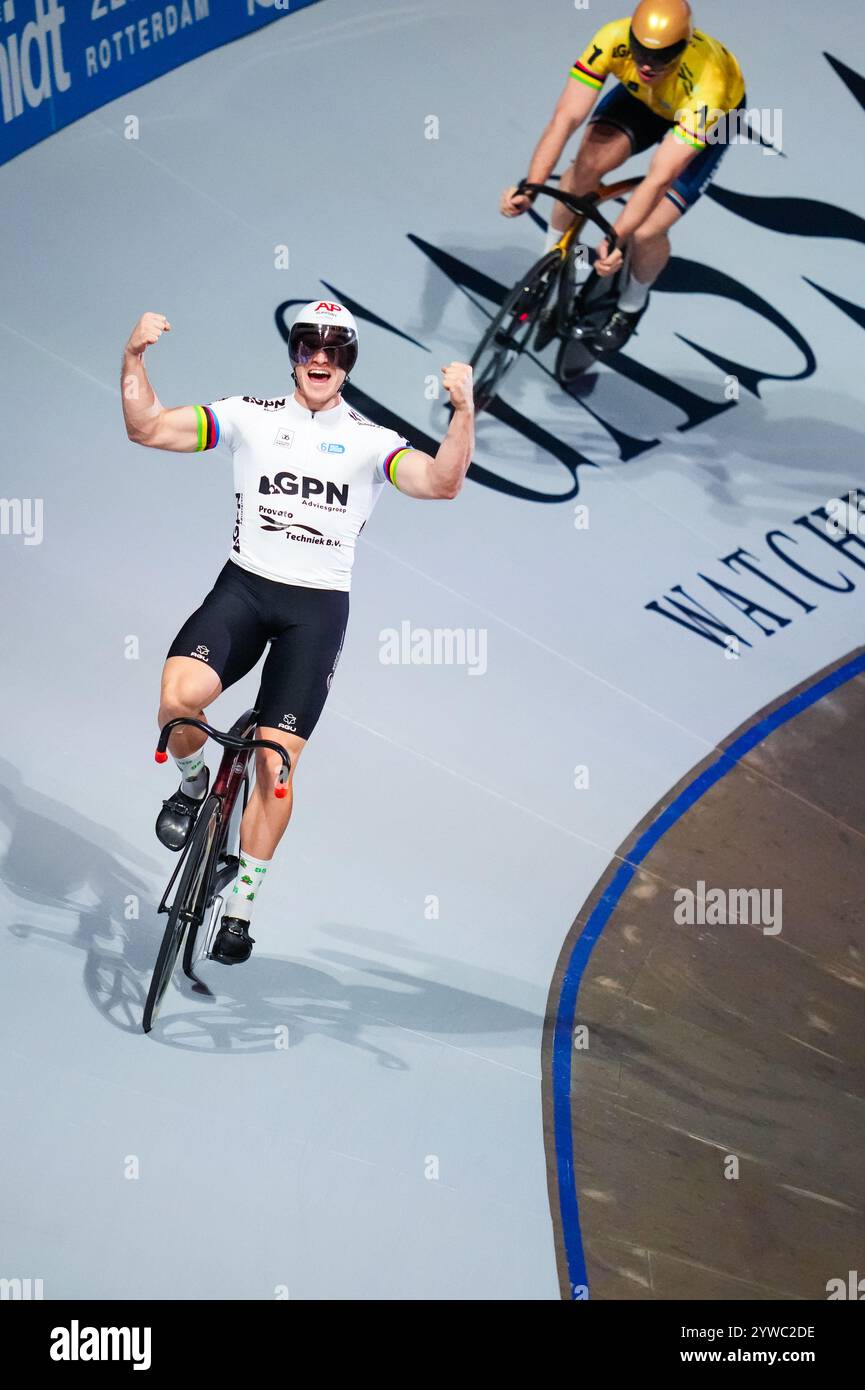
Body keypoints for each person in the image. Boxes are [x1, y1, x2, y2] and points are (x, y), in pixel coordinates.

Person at [122, 301, 474, 963]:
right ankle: (194, 784)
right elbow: (146, 429)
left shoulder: (373, 441)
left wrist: (463, 413)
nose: (320, 359)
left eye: (335, 351)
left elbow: (442, 482)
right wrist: (134, 357)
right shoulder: (248, 415)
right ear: (293, 354)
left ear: (348, 364)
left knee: (274, 768)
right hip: (243, 591)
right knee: (177, 702)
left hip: (314, 614)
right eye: (309, 346)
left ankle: (241, 907)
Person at [500, 0, 746, 352]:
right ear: (630, 36)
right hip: (644, 101)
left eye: (660, 56)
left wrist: (617, 237)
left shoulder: (711, 86)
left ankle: (631, 306)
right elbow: (565, 119)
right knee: (586, 165)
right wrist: (532, 186)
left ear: (683, 48)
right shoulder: (611, 38)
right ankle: (545, 275)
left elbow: (660, 177)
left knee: (647, 229)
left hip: (709, 114)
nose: (647, 64)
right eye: (640, 51)